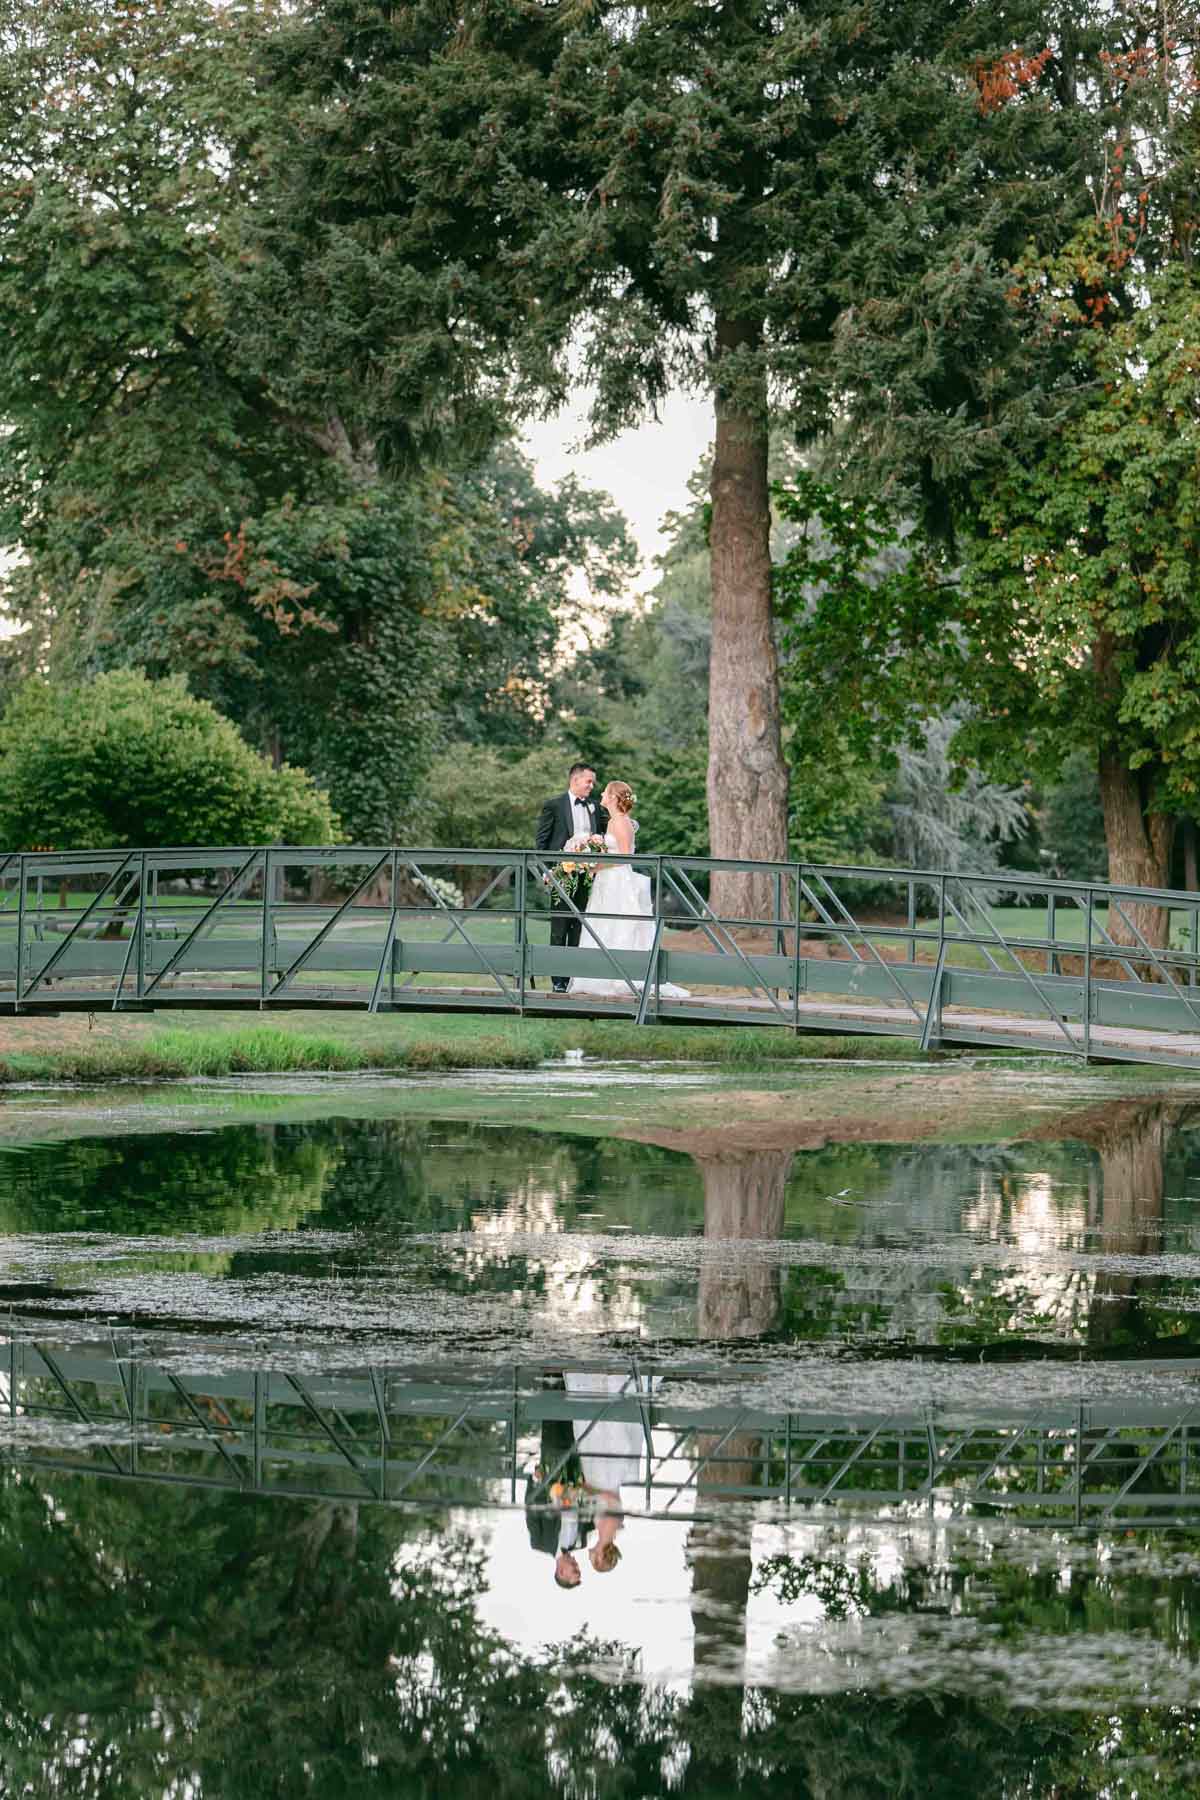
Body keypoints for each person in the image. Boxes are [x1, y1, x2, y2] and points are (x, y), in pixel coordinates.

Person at [568, 780, 690, 1000]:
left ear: (613, 798)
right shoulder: (612, 822)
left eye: (605, 792)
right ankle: (599, 976)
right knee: (603, 924)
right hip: (607, 880)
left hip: (618, 881)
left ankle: (620, 976)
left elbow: (624, 857)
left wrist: (596, 866)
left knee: (618, 924)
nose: (602, 794)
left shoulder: (621, 822)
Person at [535, 763, 609, 993]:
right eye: (588, 781)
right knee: (559, 927)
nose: (591, 785)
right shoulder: (553, 805)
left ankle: (574, 977)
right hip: (561, 874)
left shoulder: (595, 807)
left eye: (593, 782)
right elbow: (542, 842)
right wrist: (546, 873)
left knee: (580, 927)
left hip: (587, 876)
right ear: (575, 780)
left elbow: (607, 837)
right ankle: (558, 980)